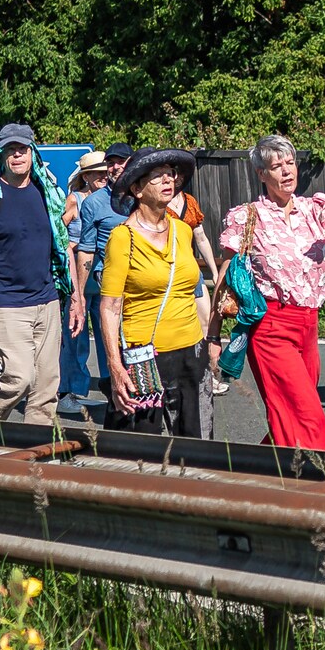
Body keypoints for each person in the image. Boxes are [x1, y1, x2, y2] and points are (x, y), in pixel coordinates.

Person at [220, 135, 325, 449]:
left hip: (308, 325)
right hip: (270, 326)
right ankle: (320, 481)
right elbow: (227, 271)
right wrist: (211, 335)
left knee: (291, 414)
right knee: (306, 414)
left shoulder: (314, 207)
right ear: (262, 174)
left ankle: (257, 474)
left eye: (290, 163)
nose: (286, 171)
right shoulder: (248, 217)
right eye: (276, 166)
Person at [0, 124, 75, 429]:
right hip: (3, 302)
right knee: (19, 378)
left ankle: (33, 456)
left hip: (47, 300)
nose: (16, 155)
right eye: (10, 149)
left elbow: (63, 247)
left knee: (46, 388)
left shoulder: (48, 194)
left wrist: (74, 298)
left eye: (22, 149)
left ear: (32, 153)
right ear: (0, 154)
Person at [101, 148, 212, 437]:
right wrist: (115, 364)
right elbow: (110, 307)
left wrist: (210, 339)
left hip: (190, 351)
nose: (168, 180)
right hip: (145, 356)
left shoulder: (181, 230)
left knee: (194, 442)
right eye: (157, 176)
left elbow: (194, 290)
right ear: (137, 189)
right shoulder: (122, 238)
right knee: (143, 445)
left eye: (171, 174)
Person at [71, 144, 137, 414]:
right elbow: (85, 249)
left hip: (142, 287)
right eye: (111, 163)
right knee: (110, 345)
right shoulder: (94, 203)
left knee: (139, 346)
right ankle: (117, 403)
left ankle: (143, 400)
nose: (115, 167)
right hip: (106, 286)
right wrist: (80, 296)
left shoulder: (142, 195)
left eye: (121, 162)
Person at [59, 150, 111, 414]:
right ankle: (71, 391)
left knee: (105, 332)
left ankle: (110, 384)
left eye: (106, 173)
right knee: (76, 335)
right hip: (79, 274)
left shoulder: (112, 200)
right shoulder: (75, 199)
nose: (104, 177)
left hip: (101, 274)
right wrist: (76, 245)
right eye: (98, 174)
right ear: (86, 177)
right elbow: (61, 230)